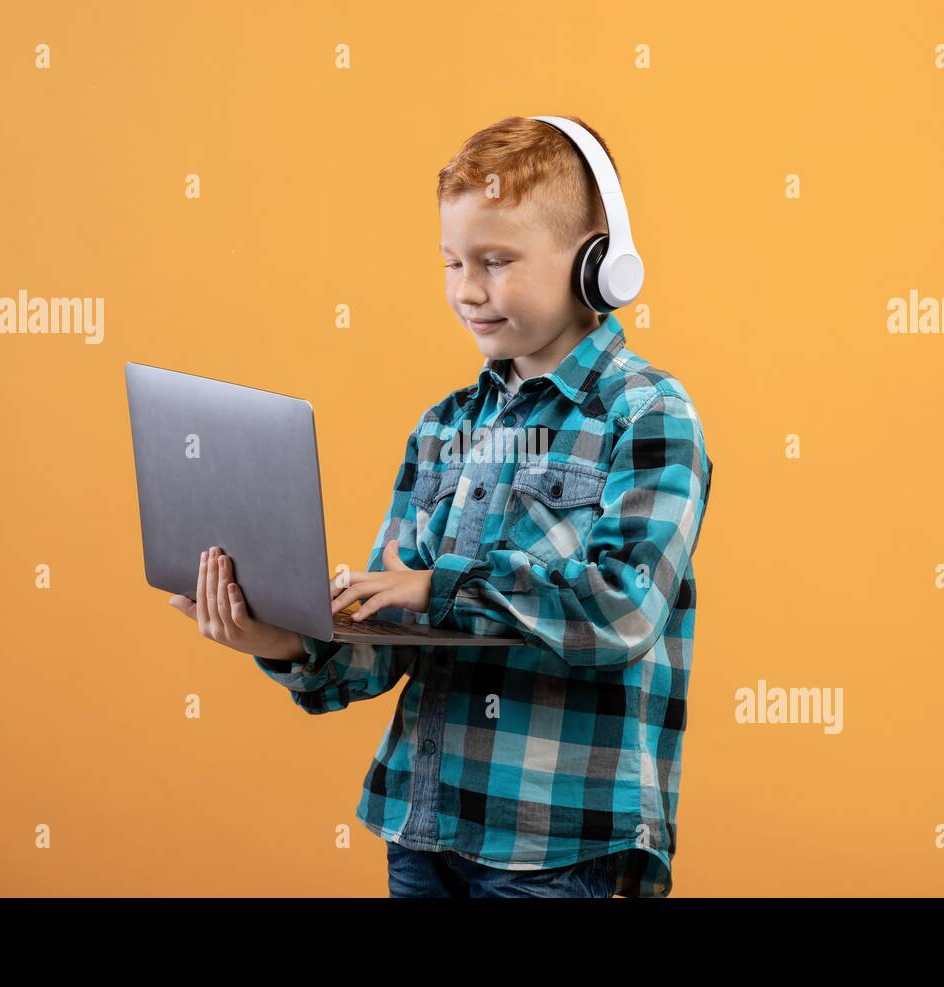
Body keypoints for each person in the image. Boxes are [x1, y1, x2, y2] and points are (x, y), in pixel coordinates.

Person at [168, 115, 712, 898]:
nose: (467, 289)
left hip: (557, 844)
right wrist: (285, 638)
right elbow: (392, 639)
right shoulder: (443, 427)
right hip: (422, 828)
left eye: (496, 261)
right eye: (453, 261)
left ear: (597, 263)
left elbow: (620, 612)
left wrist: (440, 584)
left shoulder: (648, 414)